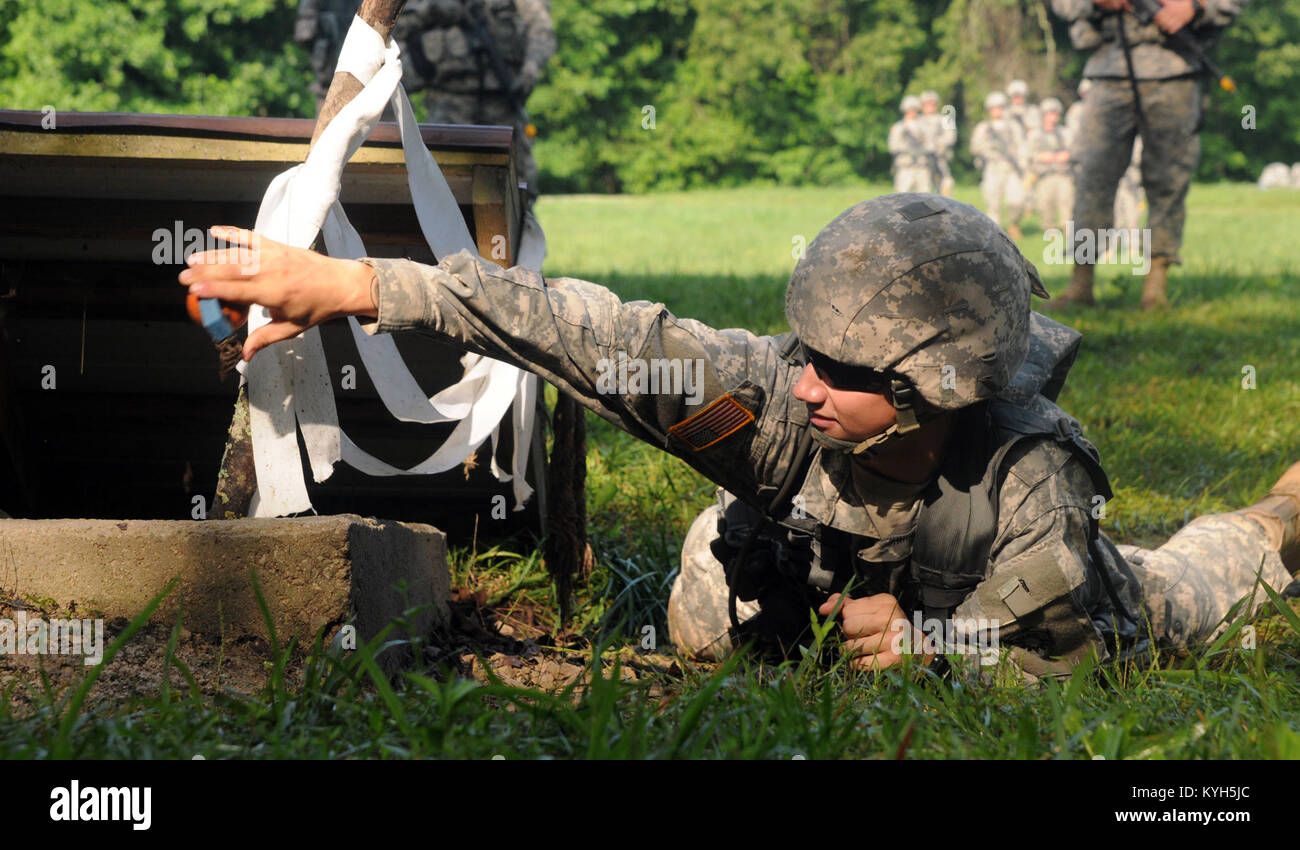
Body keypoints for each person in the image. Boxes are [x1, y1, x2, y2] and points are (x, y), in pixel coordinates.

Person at [179, 194, 1300, 682]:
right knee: (710, 619)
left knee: (1184, 590)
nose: (800, 382)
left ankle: (1281, 514)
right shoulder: (783, 399)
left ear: (933, 390)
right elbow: (585, 332)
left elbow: (1064, 669)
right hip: (829, 568)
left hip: (1024, 603)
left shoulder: (1030, 485)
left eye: (842, 371)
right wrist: (353, 284)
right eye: (803, 350)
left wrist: (935, 647)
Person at [1049, 0, 1249, 310]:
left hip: (1175, 65)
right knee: (1093, 176)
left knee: (1169, 178)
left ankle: (1156, 286)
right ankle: (1081, 283)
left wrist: (1197, 6)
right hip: (1110, 67)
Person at [392, 0, 556, 206]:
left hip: (502, 104)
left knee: (518, 187)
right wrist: (434, 10)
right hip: (447, 101)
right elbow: (395, 26)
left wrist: (530, 69)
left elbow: (541, 30)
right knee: (442, 185)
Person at [971, 92, 1028, 239]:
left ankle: (1014, 224)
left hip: (1011, 167)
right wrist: (984, 141)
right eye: (994, 108)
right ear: (989, 109)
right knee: (992, 201)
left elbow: (1022, 145)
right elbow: (975, 148)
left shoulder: (1013, 126)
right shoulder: (983, 127)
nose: (998, 110)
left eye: (1000, 107)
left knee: (1017, 199)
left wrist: (1023, 163)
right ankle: (995, 232)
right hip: (992, 167)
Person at [1027, 98, 1074, 233]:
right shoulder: (1035, 134)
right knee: (1045, 204)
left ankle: (1068, 229)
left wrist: (1067, 155)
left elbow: (1074, 150)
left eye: (1055, 113)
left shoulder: (1066, 133)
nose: (1052, 117)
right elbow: (1027, 154)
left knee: (1066, 202)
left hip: (1063, 173)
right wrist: (1040, 156)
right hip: (1044, 175)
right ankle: (1049, 229)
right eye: (1049, 113)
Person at [887, 96, 933, 194]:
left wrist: (921, 149)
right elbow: (893, 146)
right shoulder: (899, 127)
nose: (912, 112)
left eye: (914, 109)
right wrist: (907, 149)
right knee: (901, 198)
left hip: (922, 167)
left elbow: (931, 145)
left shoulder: (924, 127)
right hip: (905, 167)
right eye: (910, 109)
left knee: (925, 199)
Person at [919, 90, 956, 197]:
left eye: (932, 103)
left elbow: (951, 137)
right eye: (927, 103)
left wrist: (939, 143)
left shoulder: (945, 119)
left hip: (940, 159)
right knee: (924, 191)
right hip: (923, 162)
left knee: (946, 187)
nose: (930, 106)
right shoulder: (918, 120)